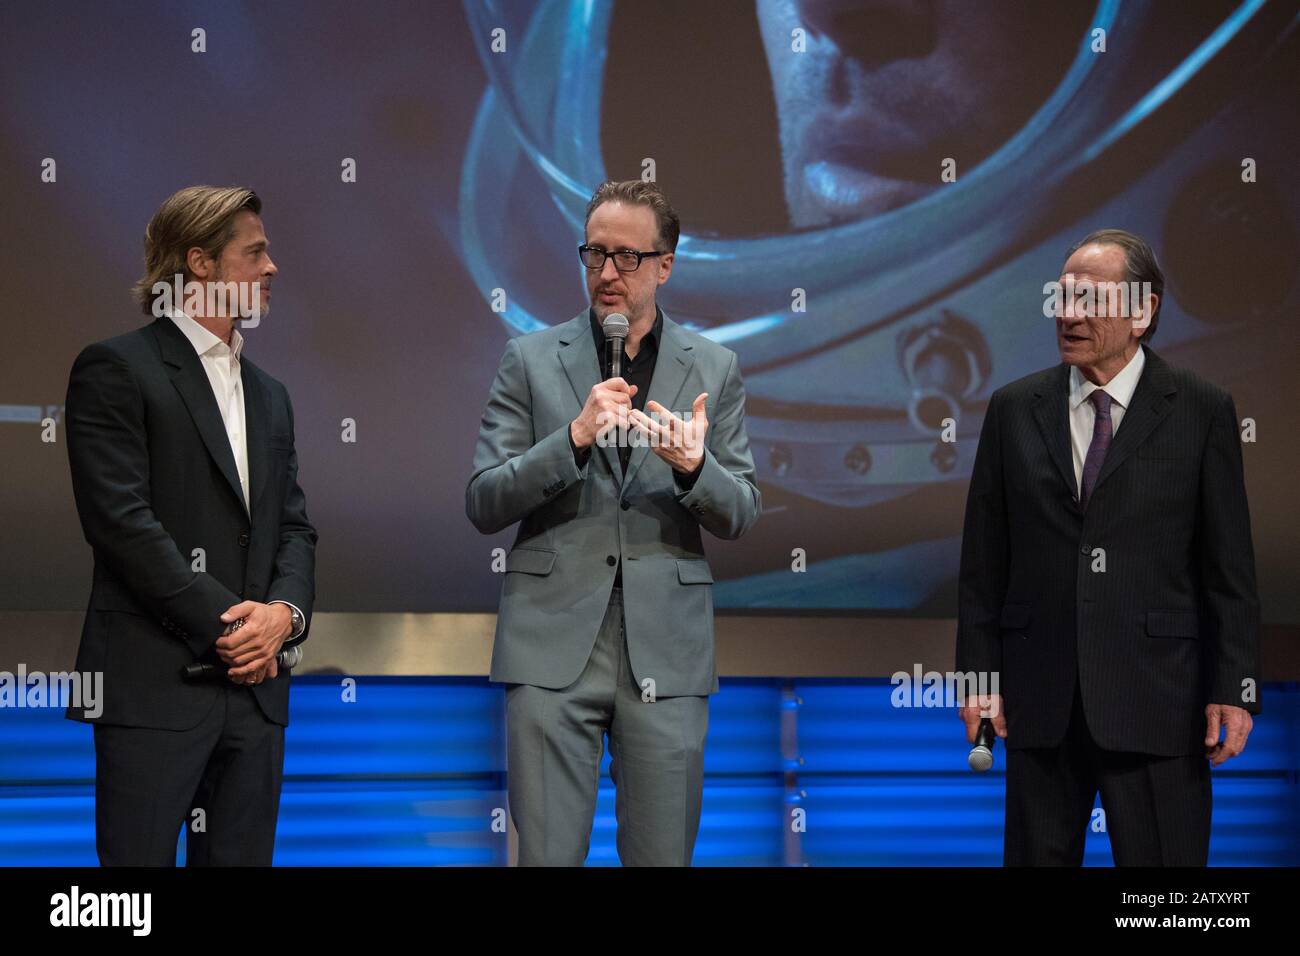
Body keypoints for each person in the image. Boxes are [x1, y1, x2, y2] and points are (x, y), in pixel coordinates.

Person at [467, 180, 761, 865]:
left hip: (668, 649)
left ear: (665, 264)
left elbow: (742, 508)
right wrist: (571, 437)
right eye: (594, 253)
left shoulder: (713, 368)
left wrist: (694, 468)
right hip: (551, 647)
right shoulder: (530, 359)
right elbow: (483, 499)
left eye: (627, 258)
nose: (607, 273)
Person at [956, 228, 1260, 865]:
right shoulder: (1014, 410)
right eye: (1062, 296)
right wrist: (981, 682)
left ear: (1143, 312)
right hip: (1042, 704)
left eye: (1089, 299)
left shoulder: (1201, 410)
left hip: (1159, 704)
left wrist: (1235, 687)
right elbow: (984, 569)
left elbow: (1228, 571)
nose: (1067, 314)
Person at [65, 185, 317, 865]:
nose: (273, 268)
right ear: (200, 264)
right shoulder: (116, 368)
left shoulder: (271, 395)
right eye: (255, 252)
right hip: (155, 692)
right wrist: (235, 627)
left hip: (257, 693)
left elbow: (293, 527)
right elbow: (122, 525)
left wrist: (284, 618)